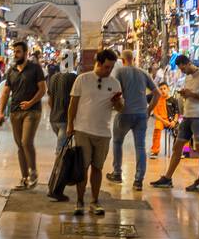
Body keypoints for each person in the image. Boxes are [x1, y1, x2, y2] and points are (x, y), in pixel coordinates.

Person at [66, 49, 124, 217]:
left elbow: (120, 108)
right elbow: (73, 105)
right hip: (83, 130)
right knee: (82, 168)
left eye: (111, 68)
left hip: (103, 132)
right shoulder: (82, 79)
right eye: (106, 67)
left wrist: (117, 102)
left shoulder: (114, 83)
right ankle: (79, 201)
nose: (109, 70)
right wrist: (70, 125)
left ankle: (94, 201)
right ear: (98, 63)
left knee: (97, 168)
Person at [151, 54, 199, 191]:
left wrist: (192, 94)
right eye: (181, 69)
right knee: (177, 146)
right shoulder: (187, 77)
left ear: (188, 63)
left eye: (183, 68)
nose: (183, 71)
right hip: (187, 116)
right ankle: (167, 178)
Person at [107, 48, 159, 190]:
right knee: (140, 146)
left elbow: (115, 92)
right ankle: (138, 181)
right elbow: (157, 93)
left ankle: (117, 173)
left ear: (122, 60)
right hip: (141, 114)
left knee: (117, 142)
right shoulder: (143, 72)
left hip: (125, 112)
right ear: (133, 59)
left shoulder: (119, 72)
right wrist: (149, 110)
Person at [0, 40, 46, 190]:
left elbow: (42, 89)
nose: (15, 54)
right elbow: (6, 92)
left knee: (26, 141)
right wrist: (0, 113)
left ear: (26, 53)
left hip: (32, 111)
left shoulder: (35, 68)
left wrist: (31, 102)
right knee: (20, 145)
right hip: (15, 111)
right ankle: (25, 178)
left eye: (18, 51)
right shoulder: (11, 70)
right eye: (14, 51)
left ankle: (33, 172)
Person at [46, 61, 76, 155]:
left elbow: (50, 101)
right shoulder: (73, 78)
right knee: (61, 150)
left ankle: (65, 169)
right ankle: (59, 170)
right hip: (65, 119)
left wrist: (55, 110)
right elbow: (75, 100)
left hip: (54, 119)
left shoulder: (53, 77)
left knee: (64, 147)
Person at [150, 79, 175, 157]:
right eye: (161, 89)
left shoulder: (172, 100)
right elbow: (155, 114)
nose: (163, 91)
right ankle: (155, 150)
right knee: (157, 129)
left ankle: (181, 151)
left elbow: (177, 112)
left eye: (164, 88)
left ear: (168, 89)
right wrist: (163, 121)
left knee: (181, 130)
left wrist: (173, 121)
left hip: (171, 120)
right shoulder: (157, 100)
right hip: (160, 120)